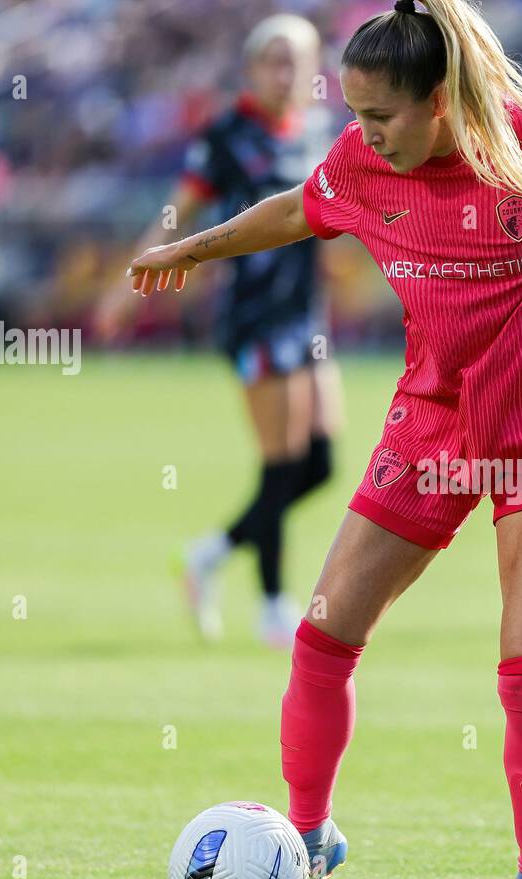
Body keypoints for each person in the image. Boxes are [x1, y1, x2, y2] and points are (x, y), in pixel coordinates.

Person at [124, 0, 522, 879]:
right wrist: (188, 250)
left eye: (379, 117)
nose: (362, 137)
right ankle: (305, 835)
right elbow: (295, 210)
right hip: (433, 432)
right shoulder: (366, 162)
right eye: (356, 117)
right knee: (323, 636)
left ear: (443, 103)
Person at [96, 14, 342, 648]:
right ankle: (271, 606)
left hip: (305, 312)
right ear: (253, 67)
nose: (286, 73)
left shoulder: (320, 128)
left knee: (319, 464)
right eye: (274, 61)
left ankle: (209, 555)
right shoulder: (229, 135)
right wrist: (132, 282)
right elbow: (181, 209)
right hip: (255, 315)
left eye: (298, 61)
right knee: (281, 462)